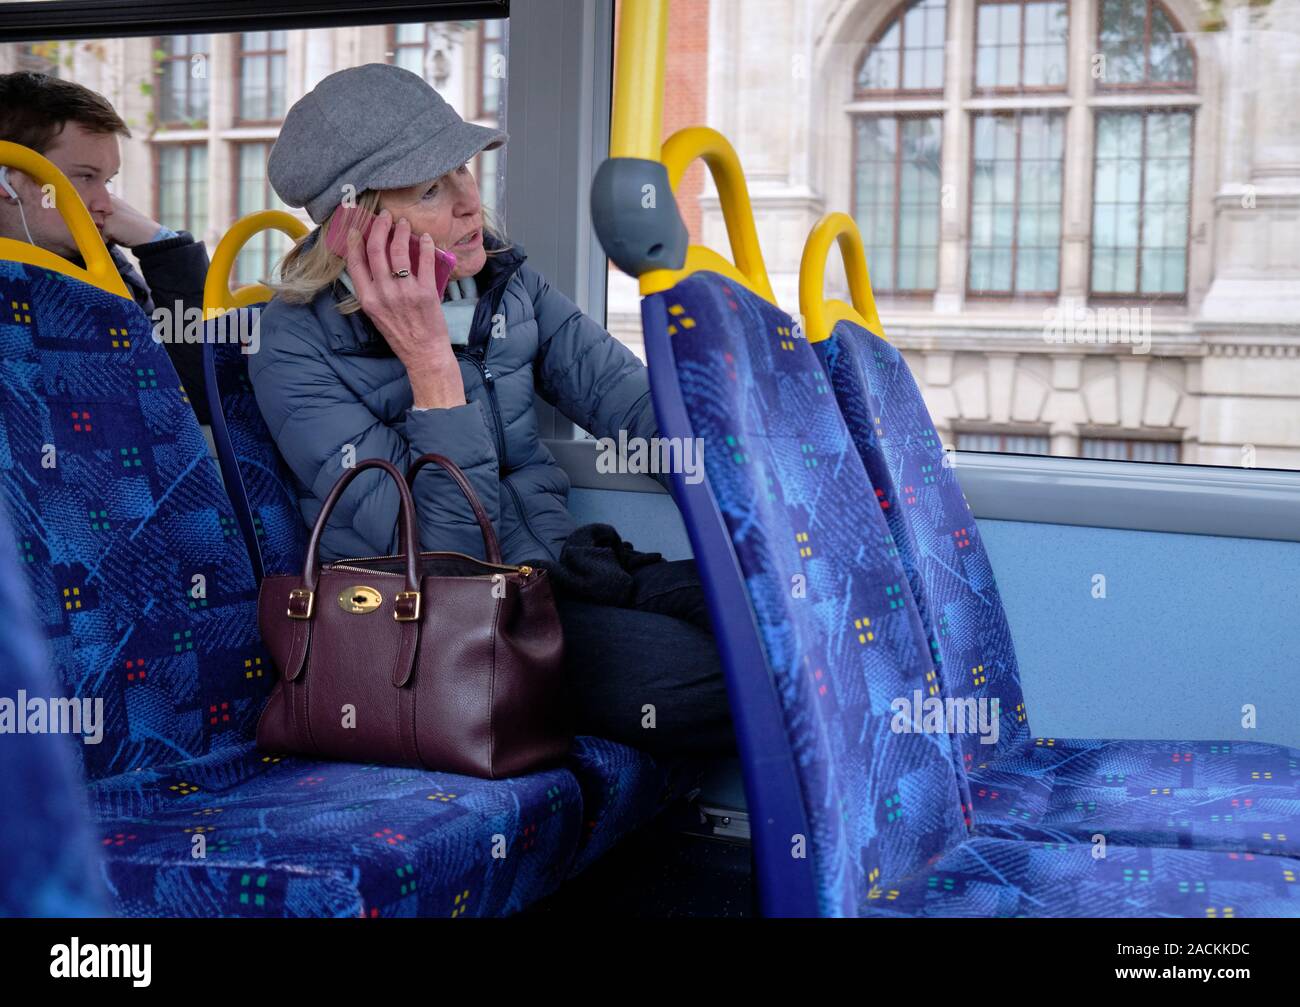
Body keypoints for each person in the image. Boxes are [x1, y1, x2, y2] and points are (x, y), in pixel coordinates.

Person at [252, 63, 734, 760]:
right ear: (352, 225)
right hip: (449, 620)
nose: (469, 203)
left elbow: (631, 403)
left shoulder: (503, 283)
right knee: (728, 674)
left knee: (788, 609)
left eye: (465, 172)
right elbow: (451, 559)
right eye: (429, 188)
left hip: (561, 570)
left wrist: (753, 486)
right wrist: (430, 365)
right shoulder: (293, 345)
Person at [0, 72, 212, 423]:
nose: (106, 203)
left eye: (108, 180)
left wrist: (164, 247)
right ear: (9, 180)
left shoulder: (103, 270)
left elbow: (195, 400)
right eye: (85, 177)